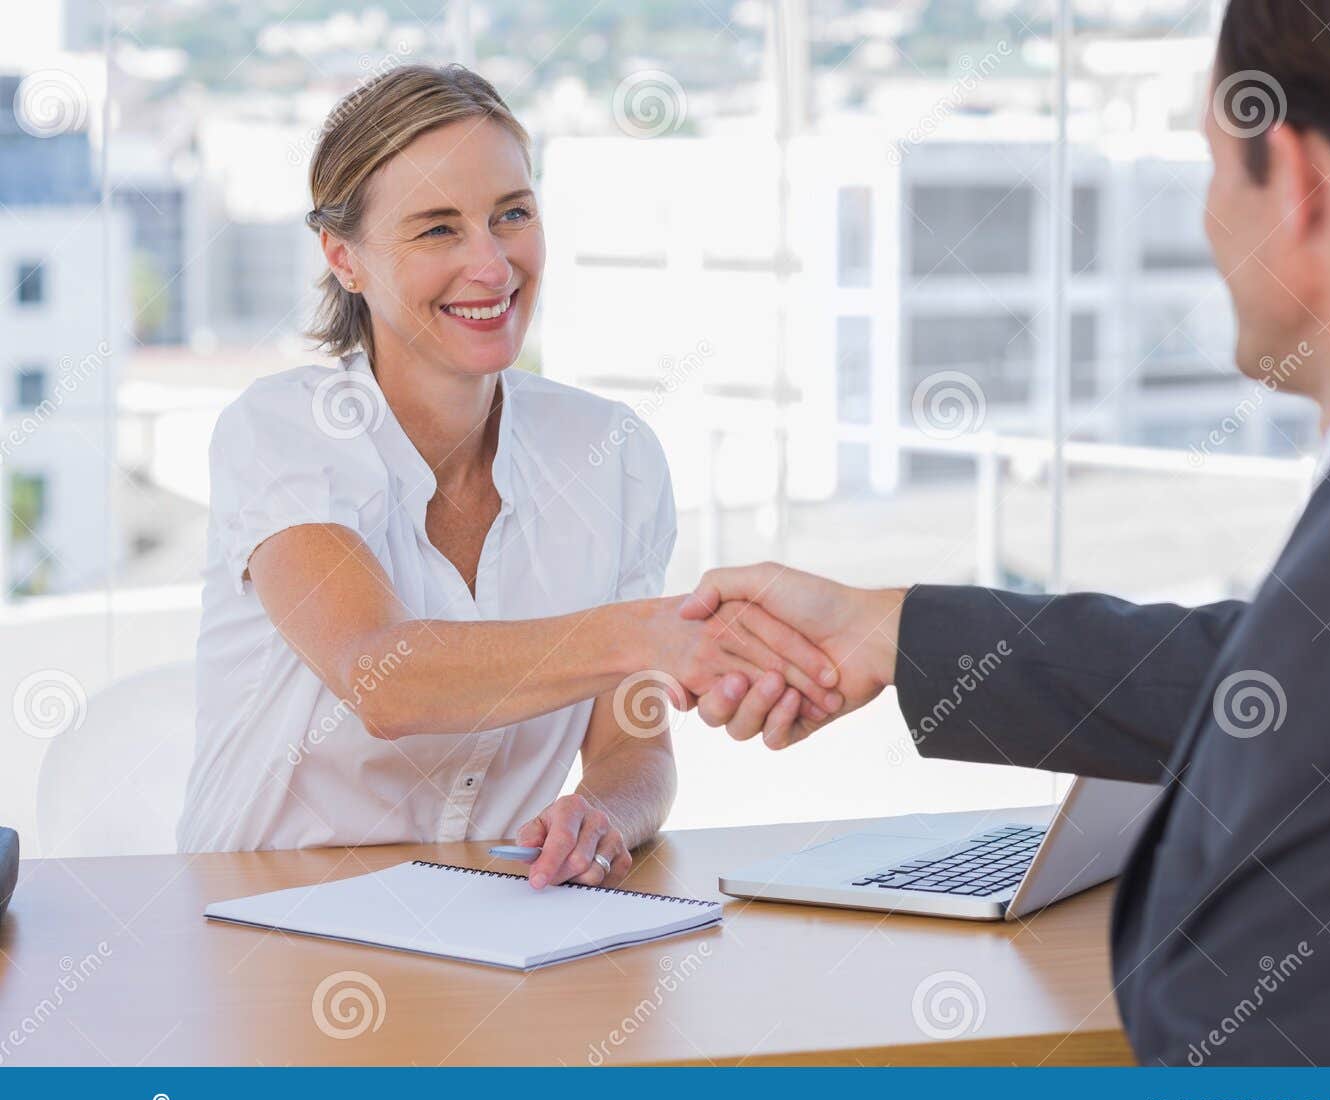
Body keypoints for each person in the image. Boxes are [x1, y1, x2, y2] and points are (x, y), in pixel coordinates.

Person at [682, 0, 1330, 1064]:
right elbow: (1296, 676)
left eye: (1215, 165)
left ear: (1296, 182)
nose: (1209, 219)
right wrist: (892, 631)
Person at [178, 66, 838, 875]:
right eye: (437, 229)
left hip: (489, 925)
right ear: (344, 257)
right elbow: (384, 679)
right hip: (258, 936)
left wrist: (604, 813)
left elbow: (635, 747)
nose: (492, 264)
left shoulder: (613, 453)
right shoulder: (281, 431)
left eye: (511, 214)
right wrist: (650, 633)